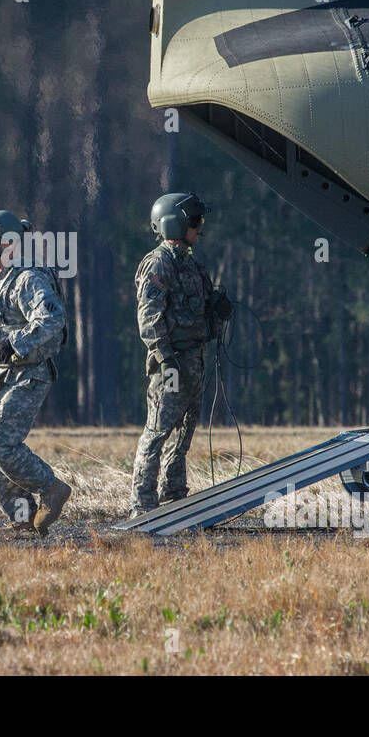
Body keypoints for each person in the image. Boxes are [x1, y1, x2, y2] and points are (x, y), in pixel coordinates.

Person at [0, 209, 71, 538]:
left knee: (0, 443)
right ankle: (23, 519)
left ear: (8, 243)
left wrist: (16, 343)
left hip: (30, 373)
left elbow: (52, 319)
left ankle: (51, 489)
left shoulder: (28, 277)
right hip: (1, 374)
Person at [129, 193, 232, 518]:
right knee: (158, 430)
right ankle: (142, 505)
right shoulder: (159, 264)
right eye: (194, 220)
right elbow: (149, 315)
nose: (200, 227)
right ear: (176, 222)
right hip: (171, 363)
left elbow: (201, 309)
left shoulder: (190, 263)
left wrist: (219, 311)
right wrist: (165, 357)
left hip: (195, 359)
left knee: (186, 431)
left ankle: (174, 497)